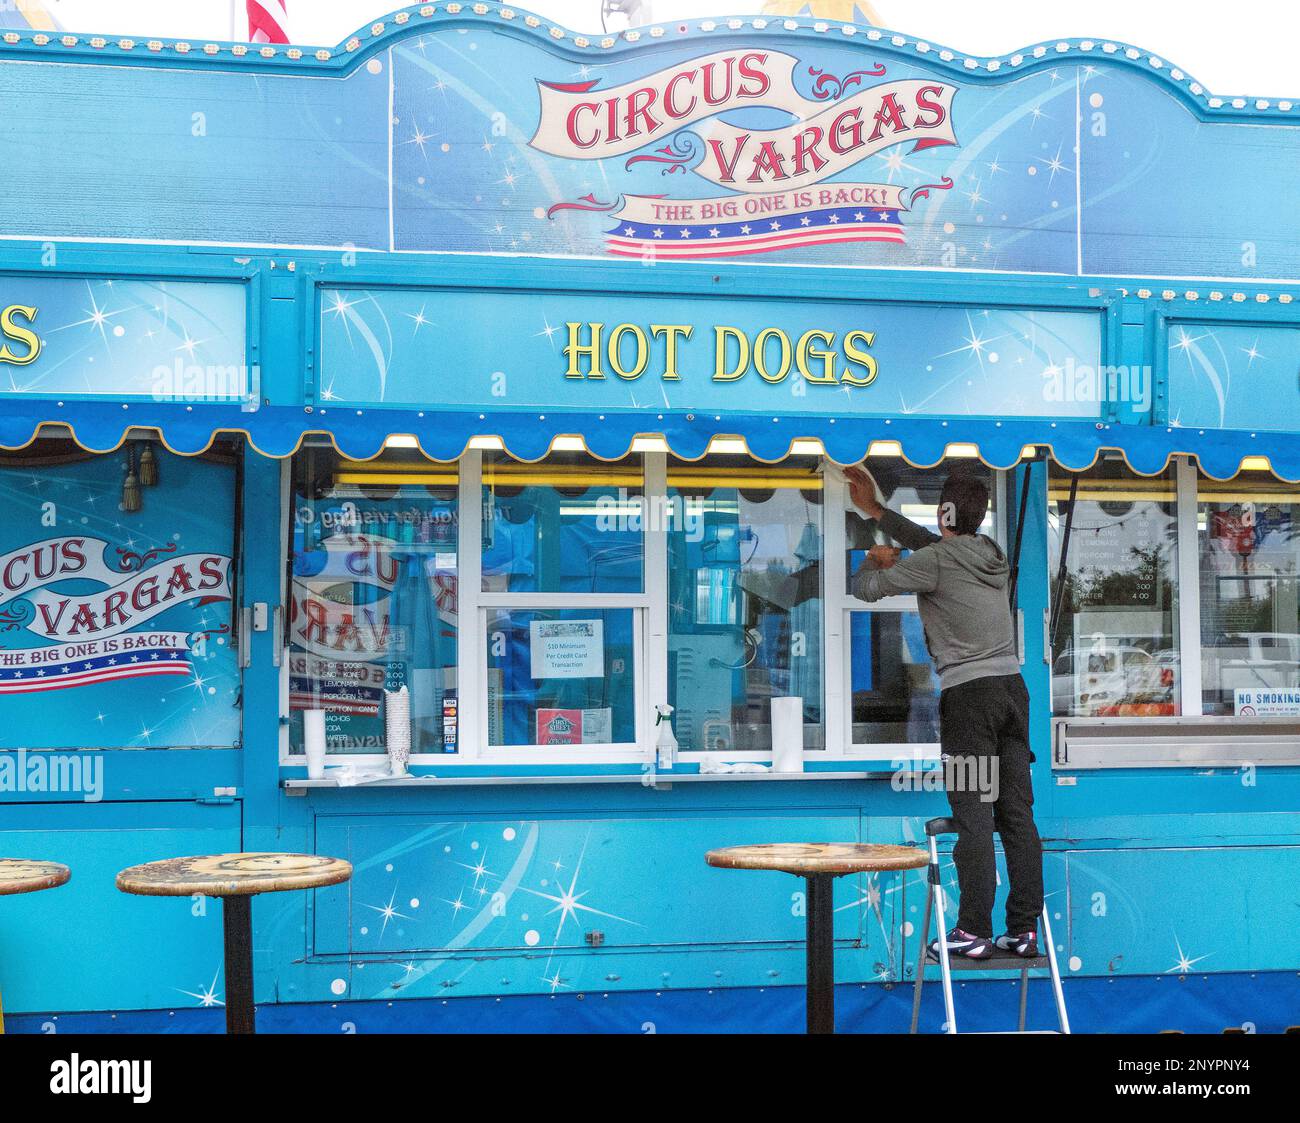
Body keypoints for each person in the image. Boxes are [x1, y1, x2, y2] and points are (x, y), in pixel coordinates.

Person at [845, 464, 1043, 959]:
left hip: (969, 701)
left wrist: (873, 559)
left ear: (944, 512)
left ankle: (972, 929)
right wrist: (876, 511)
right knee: (1017, 814)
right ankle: (1022, 929)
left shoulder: (934, 561)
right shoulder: (989, 552)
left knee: (972, 813)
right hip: (1012, 694)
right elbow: (933, 545)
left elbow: (865, 590)